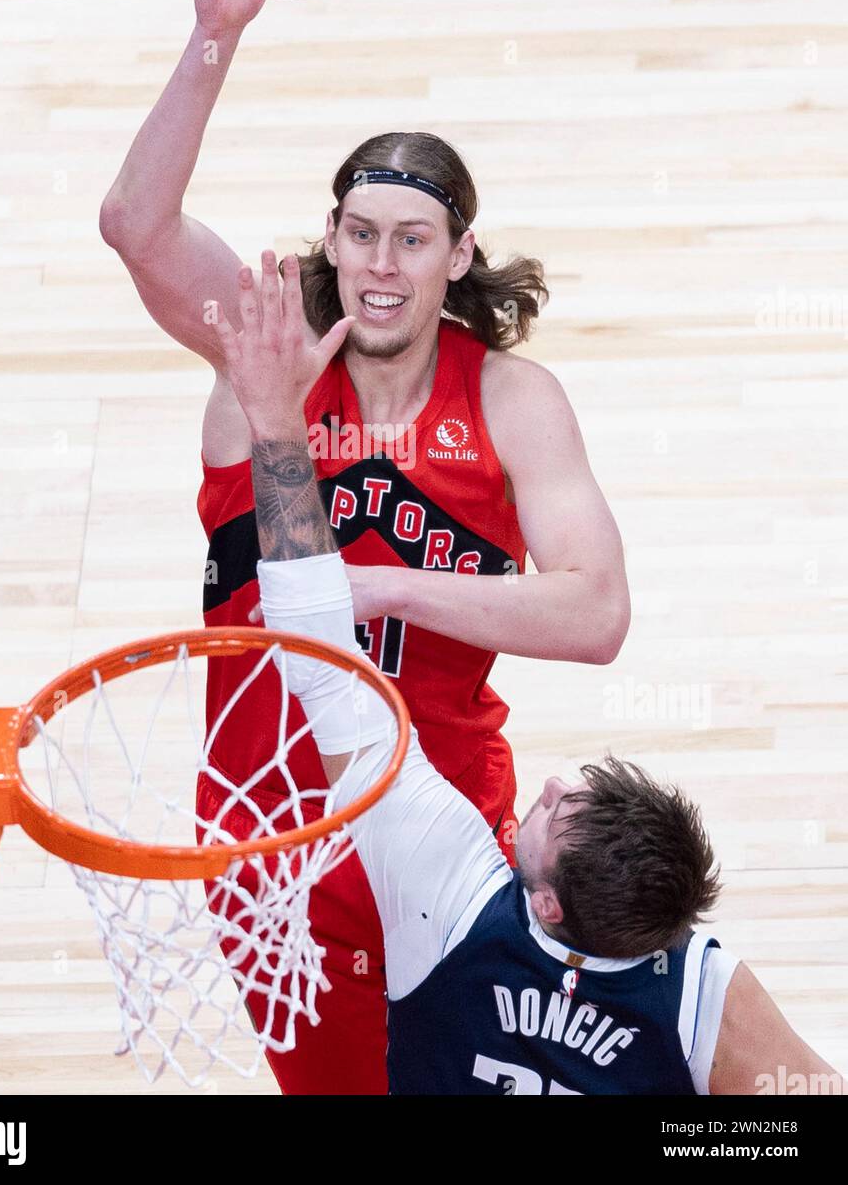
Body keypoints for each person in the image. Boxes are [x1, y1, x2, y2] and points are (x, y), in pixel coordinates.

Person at [99, 0, 631, 1094]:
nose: (381, 265)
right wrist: (215, 33)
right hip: (269, 840)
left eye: (411, 239)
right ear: (329, 243)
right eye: (360, 233)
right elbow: (134, 225)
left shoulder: (508, 399)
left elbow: (595, 613)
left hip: (439, 824)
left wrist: (378, 588)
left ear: (459, 257)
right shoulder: (262, 347)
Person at [216, 250, 843, 1096]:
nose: (542, 790)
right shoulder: (694, 987)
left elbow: (317, 652)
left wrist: (274, 424)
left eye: (551, 815)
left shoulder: (449, 896)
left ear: (544, 907)